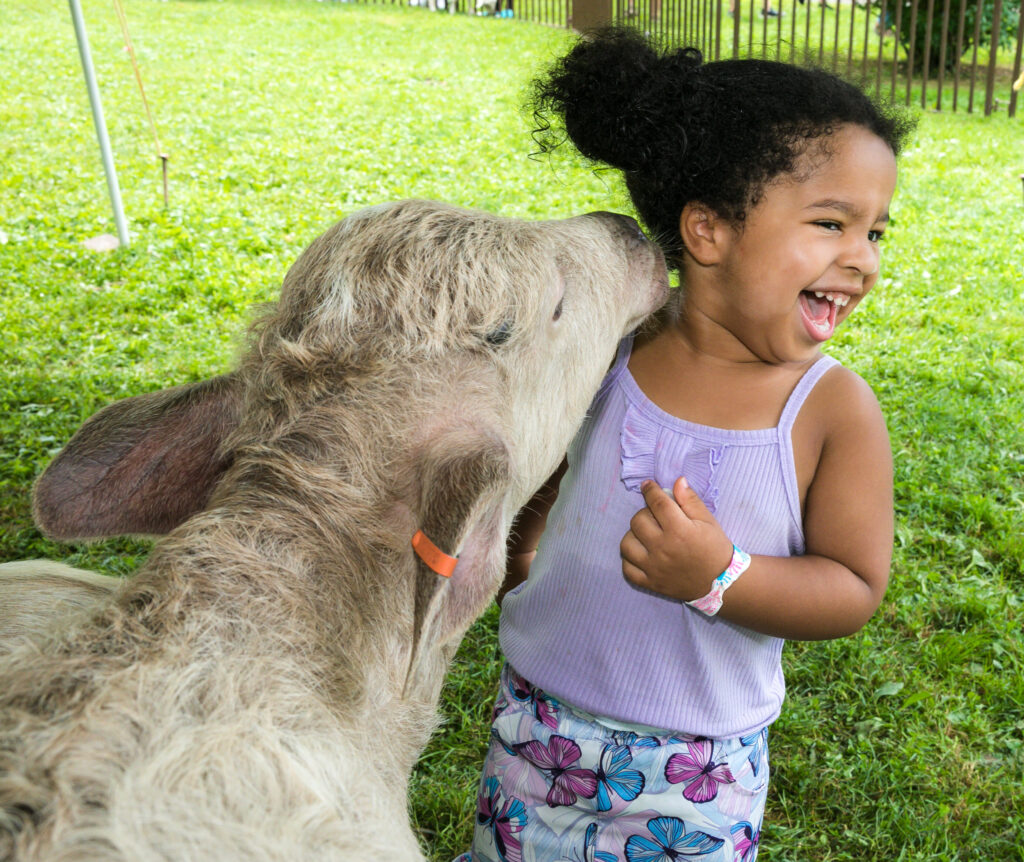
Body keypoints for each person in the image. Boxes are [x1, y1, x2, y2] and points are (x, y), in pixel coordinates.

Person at [458, 26, 915, 862]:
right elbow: (541, 474)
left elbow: (852, 586)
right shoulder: (606, 350)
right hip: (536, 724)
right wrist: (514, 561)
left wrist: (720, 577)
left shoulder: (832, 412)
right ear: (707, 232)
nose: (862, 260)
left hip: (696, 771)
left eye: (876, 233)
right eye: (830, 223)